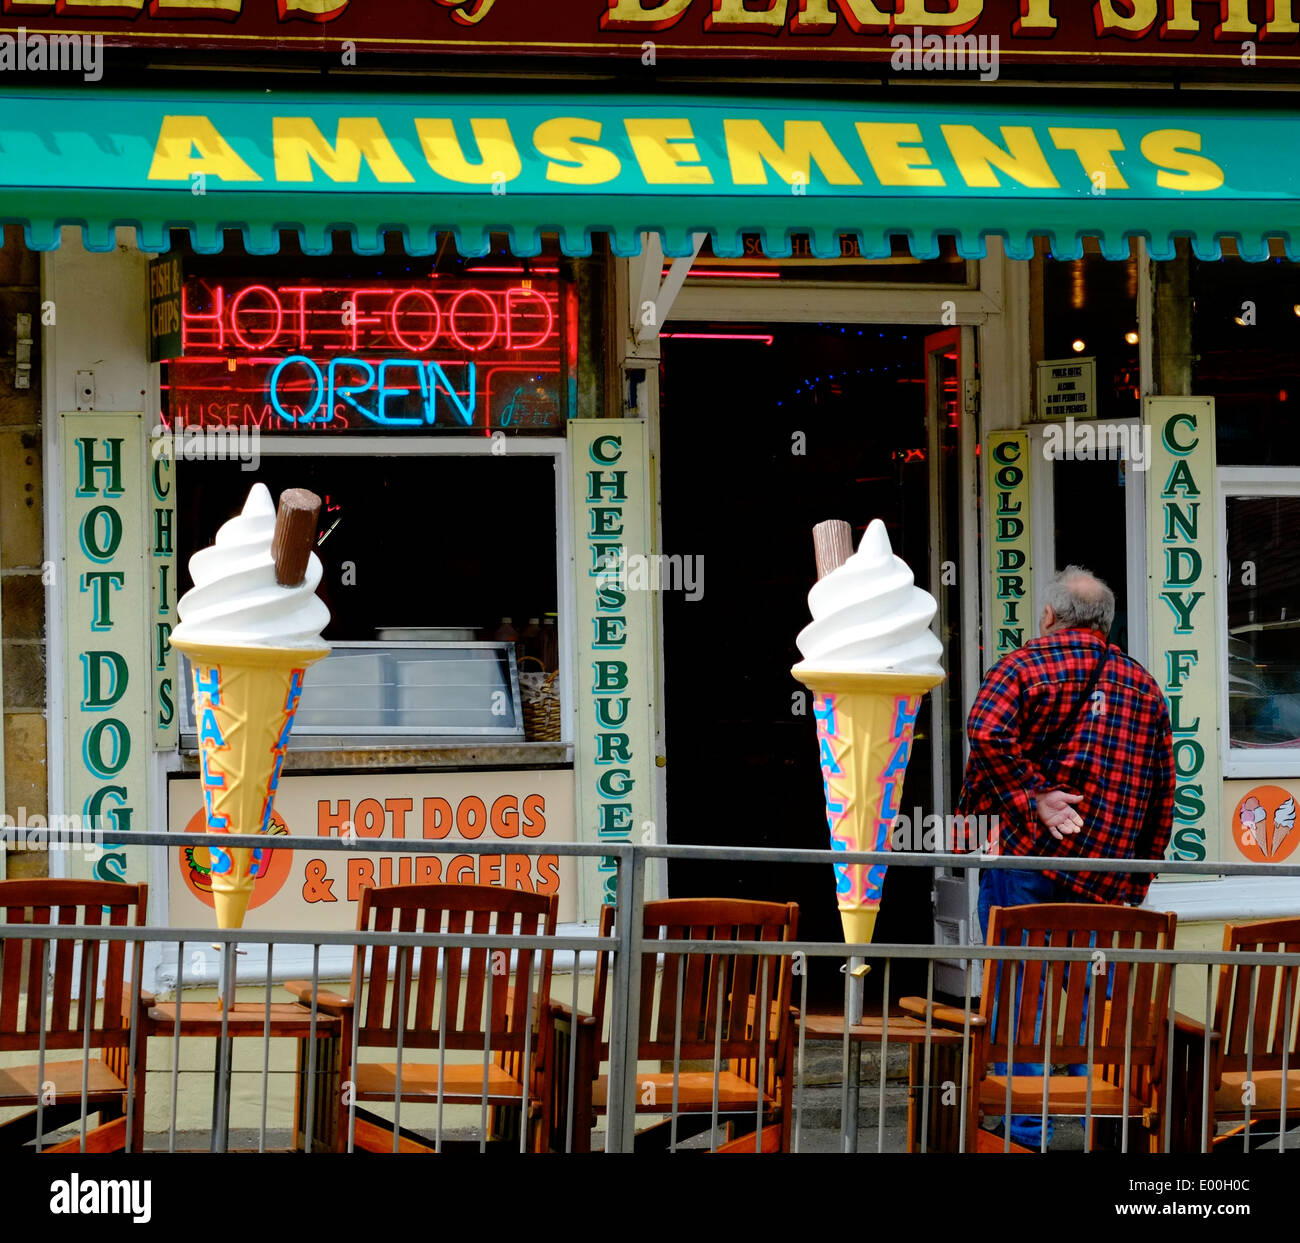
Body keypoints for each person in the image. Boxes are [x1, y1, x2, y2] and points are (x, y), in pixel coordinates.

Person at [955, 566, 1175, 1148]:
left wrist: (1033, 795)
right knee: (1087, 993)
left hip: (1028, 862)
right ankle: (1098, 1113)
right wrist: (1139, 875)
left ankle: (1027, 1126)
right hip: (1105, 875)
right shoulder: (1144, 686)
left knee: (1018, 991)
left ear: (1049, 616)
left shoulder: (1025, 665)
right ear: (1105, 623)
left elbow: (985, 728)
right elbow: (1161, 788)